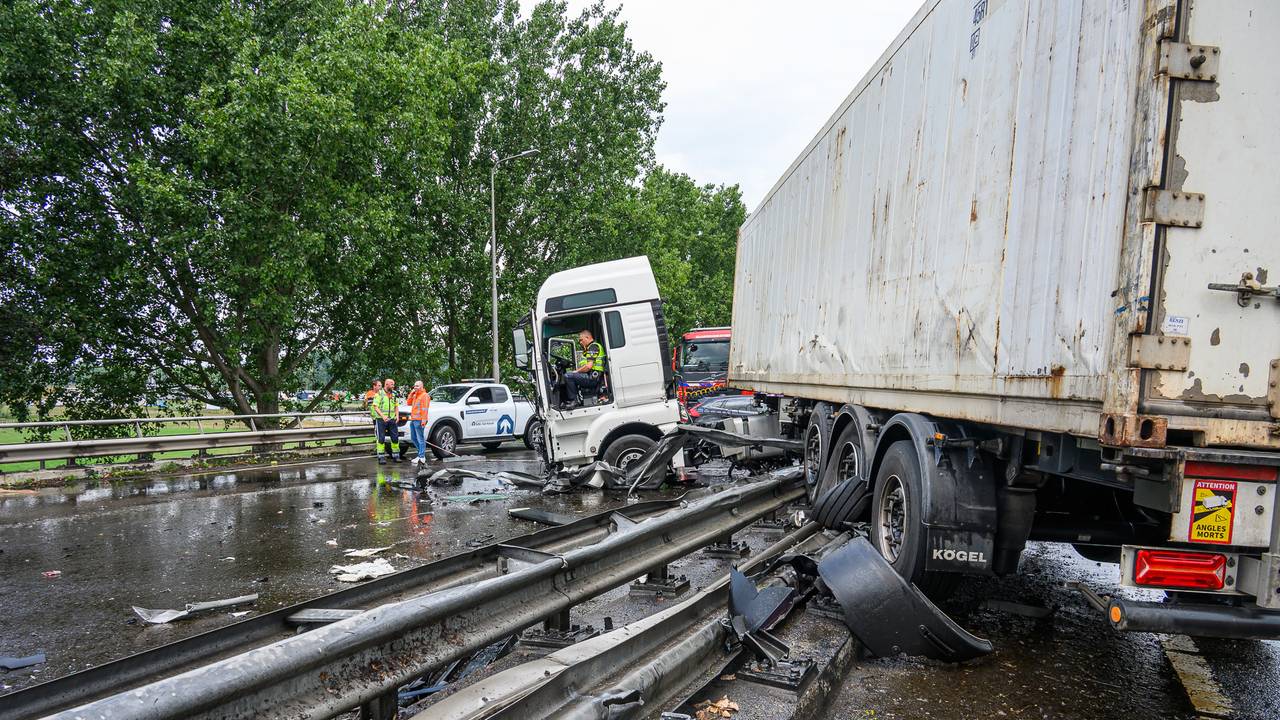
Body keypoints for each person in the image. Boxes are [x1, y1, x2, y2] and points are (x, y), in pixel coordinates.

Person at [563, 329, 606, 408]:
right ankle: (576, 399)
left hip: (593, 378)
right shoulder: (589, 348)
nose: (580, 342)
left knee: (568, 376)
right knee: (572, 375)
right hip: (593, 377)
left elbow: (588, 366)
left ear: (587, 337)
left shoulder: (593, 347)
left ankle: (574, 401)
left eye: (581, 340)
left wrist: (576, 372)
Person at [371, 377, 402, 463]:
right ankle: (381, 457)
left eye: (393, 384)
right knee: (381, 438)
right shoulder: (379, 394)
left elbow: (396, 406)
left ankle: (396, 456)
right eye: (392, 384)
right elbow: (375, 406)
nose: (393, 386)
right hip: (381, 419)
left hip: (392, 419)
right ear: (386, 384)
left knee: (395, 438)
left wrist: (397, 416)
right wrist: (383, 416)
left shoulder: (394, 394)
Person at [407, 380, 431, 465]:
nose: (415, 387)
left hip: (420, 420)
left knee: (420, 438)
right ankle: (420, 453)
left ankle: (421, 456)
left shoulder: (424, 395)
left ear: (421, 386)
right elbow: (408, 403)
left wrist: (424, 421)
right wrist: (411, 393)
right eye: (414, 386)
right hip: (413, 420)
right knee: (413, 438)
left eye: (417, 386)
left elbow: (425, 409)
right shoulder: (415, 395)